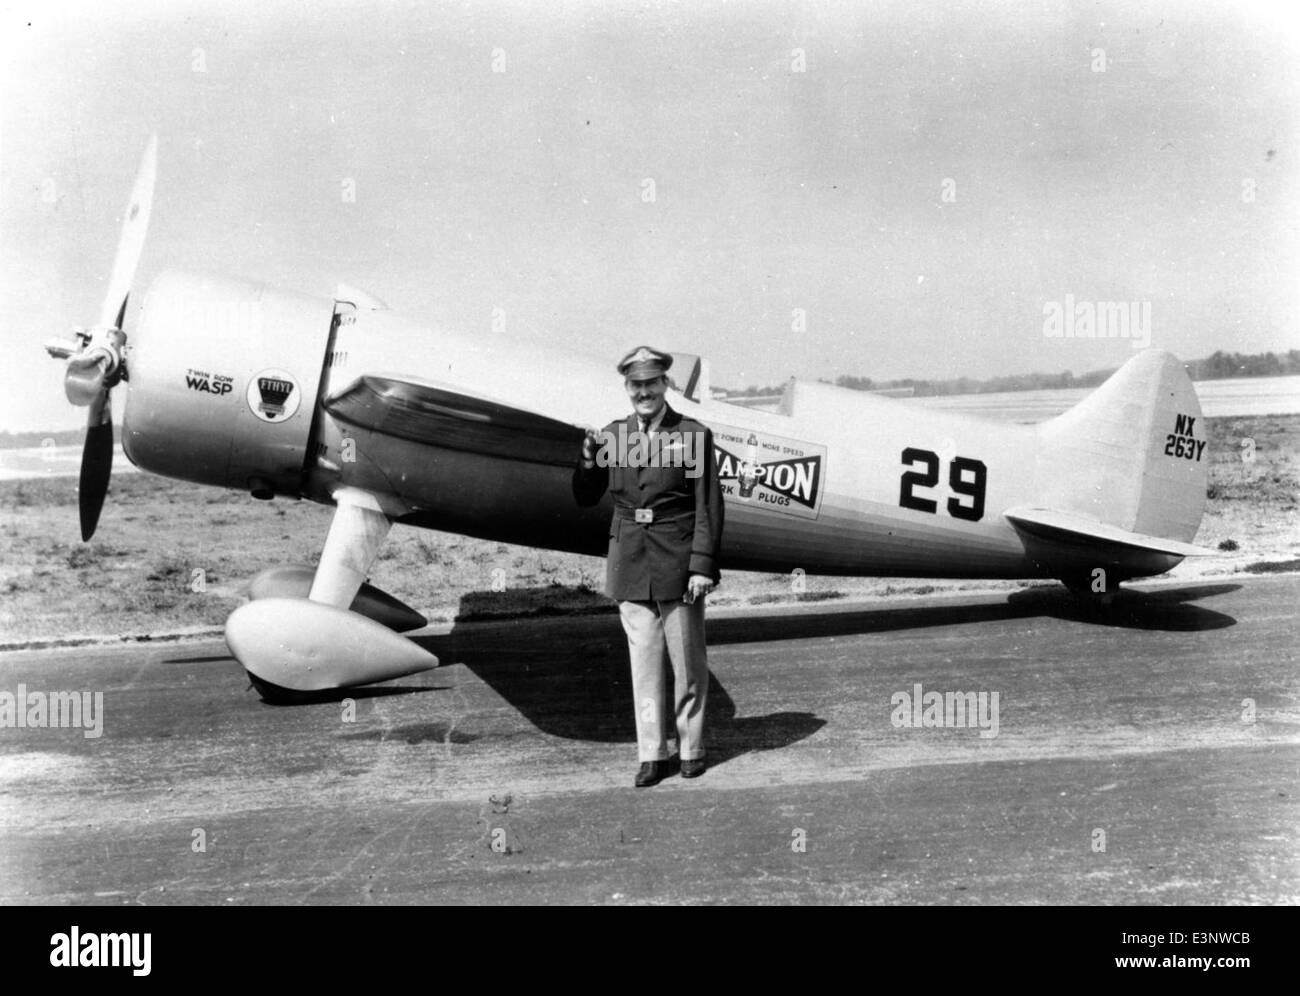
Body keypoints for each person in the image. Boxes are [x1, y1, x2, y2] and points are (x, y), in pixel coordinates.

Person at [573, 346, 724, 787]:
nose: (644, 392)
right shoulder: (613, 436)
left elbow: (707, 506)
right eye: (636, 385)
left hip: (678, 561)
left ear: (665, 385)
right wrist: (586, 459)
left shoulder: (693, 436)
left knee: (688, 662)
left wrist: (701, 566)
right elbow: (585, 495)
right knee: (644, 666)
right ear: (627, 388)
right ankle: (652, 754)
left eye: (652, 384)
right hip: (631, 561)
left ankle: (692, 748)